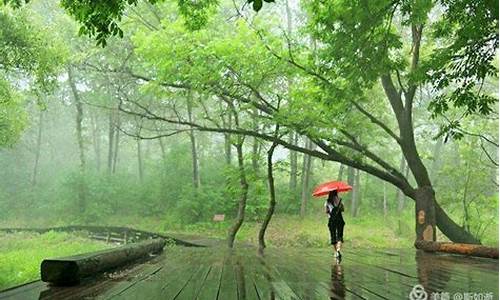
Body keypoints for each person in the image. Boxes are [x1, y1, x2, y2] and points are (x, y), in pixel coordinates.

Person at [325, 190, 345, 260]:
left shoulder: (327, 201)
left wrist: (329, 209)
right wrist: (339, 205)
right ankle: (339, 249)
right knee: (340, 235)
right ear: (336, 193)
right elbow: (343, 209)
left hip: (332, 221)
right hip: (340, 219)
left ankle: (336, 252)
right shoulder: (340, 200)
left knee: (333, 235)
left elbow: (326, 211)